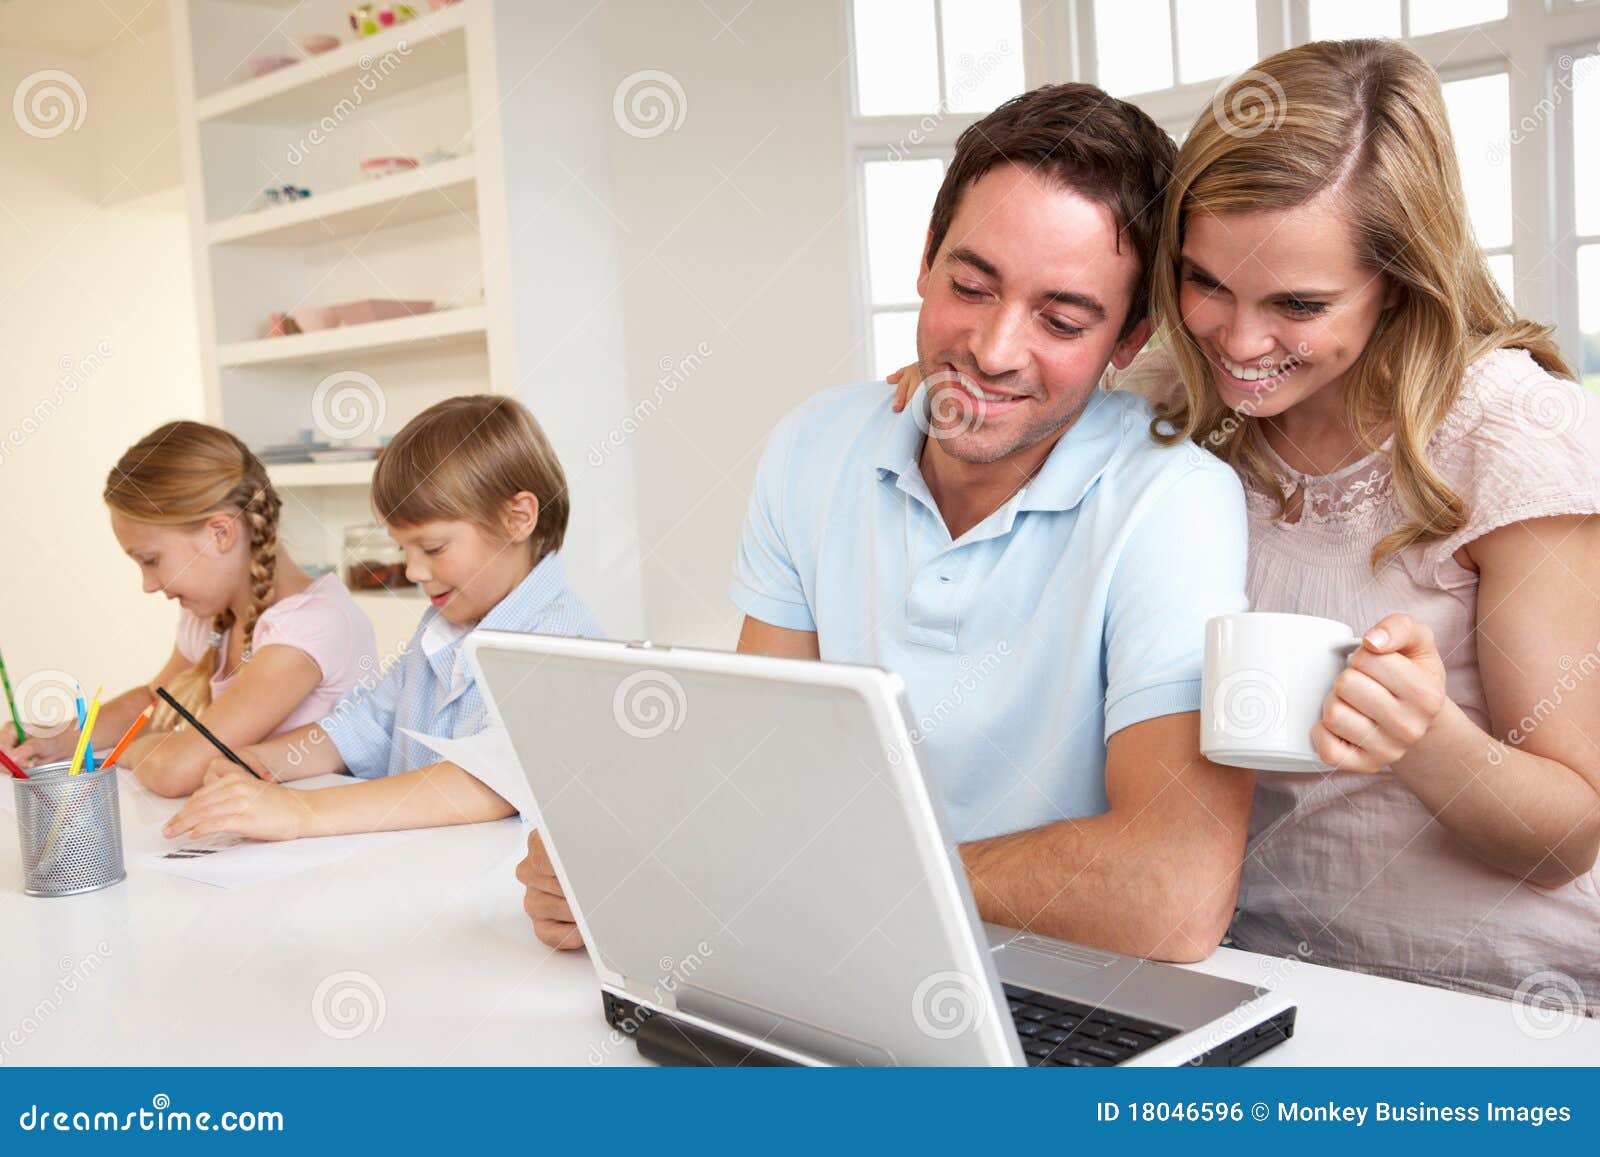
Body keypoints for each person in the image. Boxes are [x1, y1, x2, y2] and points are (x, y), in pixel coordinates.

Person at [519, 83, 1257, 963]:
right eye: (971, 286)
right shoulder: (813, 446)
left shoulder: (1175, 500)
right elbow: (764, 764)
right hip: (826, 950)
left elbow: (1170, 893)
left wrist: (823, 877)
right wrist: (627, 852)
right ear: (925, 260)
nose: (992, 349)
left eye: (1061, 319)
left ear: (1129, 341)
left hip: (1054, 975)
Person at [163, 395, 603, 842]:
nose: (413, 571)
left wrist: (300, 812)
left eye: (432, 548)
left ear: (518, 518)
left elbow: (486, 782)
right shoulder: (442, 624)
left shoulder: (562, 639)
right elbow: (367, 724)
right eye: (402, 550)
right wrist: (264, 762)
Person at [2, 421, 377, 798]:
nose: (148, 585)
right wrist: (60, 738)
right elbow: (154, 702)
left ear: (221, 533)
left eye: (151, 560)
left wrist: (132, 752)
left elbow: (177, 771)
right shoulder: (212, 618)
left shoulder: (309, 626)